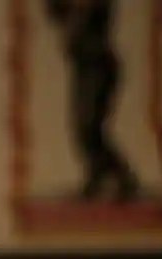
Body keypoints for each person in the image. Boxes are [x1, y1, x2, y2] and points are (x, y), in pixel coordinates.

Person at [45, 0, 139, 202]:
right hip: (83, 65)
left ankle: (122, 175)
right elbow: (54, 12)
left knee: (89, 125)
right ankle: (97, 177)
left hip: (98, 65)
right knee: (81, 127)